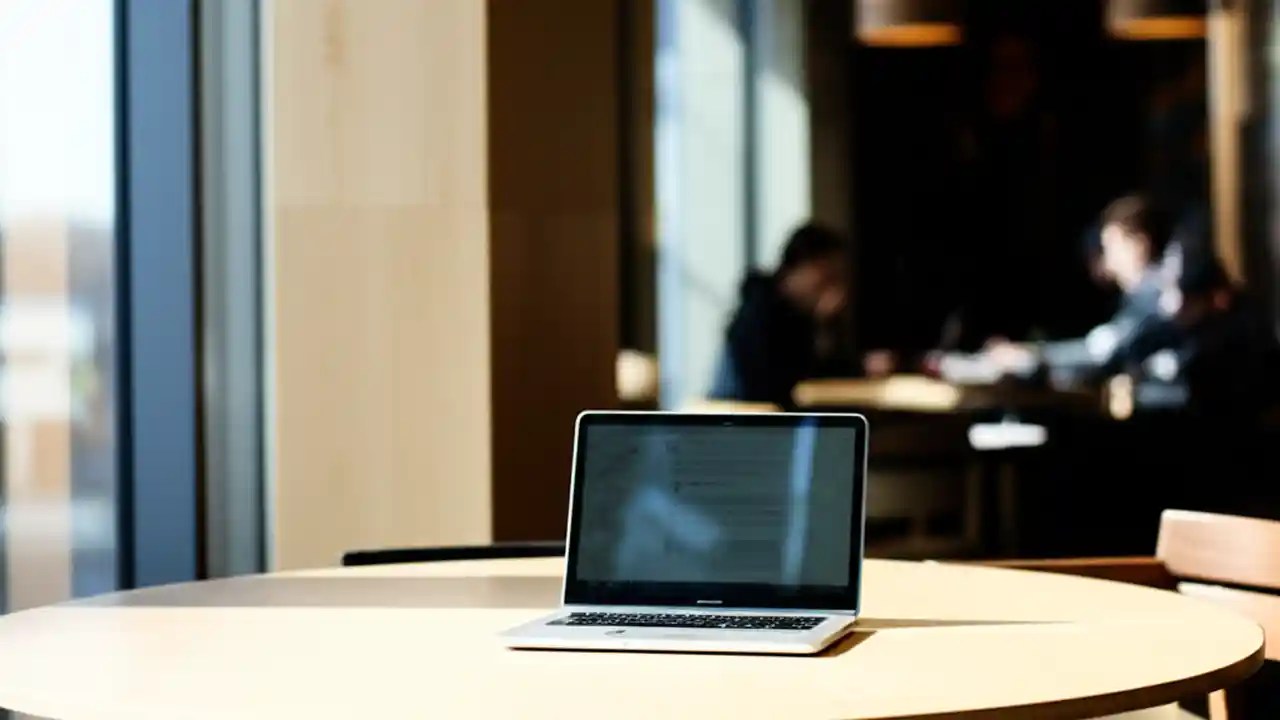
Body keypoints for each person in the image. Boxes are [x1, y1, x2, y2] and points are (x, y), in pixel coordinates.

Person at [985, 195, 1174, 383]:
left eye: (1111, 247)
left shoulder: (1154, 296)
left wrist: (1027, 357)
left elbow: (1104, 352)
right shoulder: (1148, 295)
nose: (1108, 261)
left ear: (1139, 245)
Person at [708, 224, 852, 406]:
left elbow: (831, 376)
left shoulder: (804, 317)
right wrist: (820, 327)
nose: (831, 289)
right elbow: (771, 386)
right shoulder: (759, 312)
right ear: (798, 266)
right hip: (744, 416)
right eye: (825, 278)